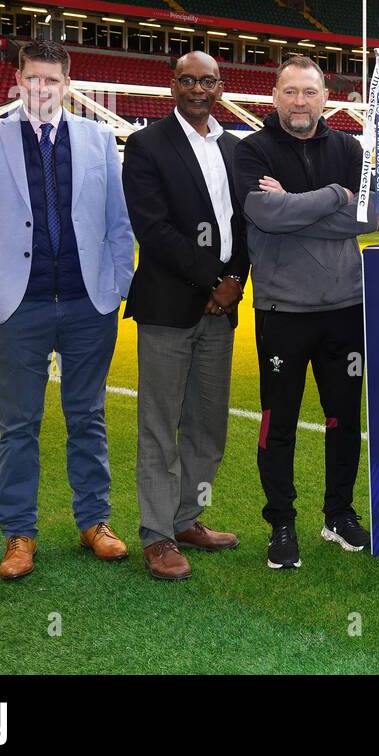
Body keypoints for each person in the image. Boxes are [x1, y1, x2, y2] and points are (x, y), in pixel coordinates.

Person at [0, 39, 135, 580]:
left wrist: (118, 283)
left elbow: (117, 222)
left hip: (88, 303)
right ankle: (19, 533)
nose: (41, 89)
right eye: (32, 79)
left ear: (67, 83)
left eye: (51, 81)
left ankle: (94, 522)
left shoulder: (99, 139)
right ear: (18, 79)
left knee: (88, 417)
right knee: (19, 424)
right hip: (19, 306)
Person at [234, 55, 379, 570]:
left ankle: (338, 515)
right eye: (291, 92)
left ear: (325, 97)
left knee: (344, 418)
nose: (300, 101)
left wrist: (296, 206)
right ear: (274, 96)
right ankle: (281, 523)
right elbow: (264, 214)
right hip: (283, 311)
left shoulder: (349, 147)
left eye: (310, 92)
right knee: (280, 422)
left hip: (345, 306)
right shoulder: (250, 150)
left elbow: (367, 219)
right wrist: (333, 197)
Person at [122, 51, 250, 581]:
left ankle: (187, 518)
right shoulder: (146, 144)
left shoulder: (235, 148)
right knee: (159, 426)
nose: (198, 88)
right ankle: (157, 536)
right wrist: (211, 282)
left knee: (207, 427)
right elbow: (153, 229)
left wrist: (235, 280)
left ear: (220, 87)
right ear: (172, 85)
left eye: (207, 80)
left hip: (221, 310)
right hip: (169, 307)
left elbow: (248, 223)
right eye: (188, 80)